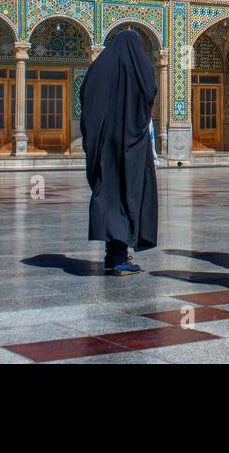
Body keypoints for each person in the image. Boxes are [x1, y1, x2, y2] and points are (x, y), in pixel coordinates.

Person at [80, 28, 158, 274]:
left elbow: (86, 99)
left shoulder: (99, 67)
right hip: (132, 146)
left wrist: (95, 137)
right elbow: (149, 93)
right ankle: (120, 255)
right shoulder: (140, 67)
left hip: (104, 146)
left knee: (110, 194)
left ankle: (112, 254)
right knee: (130, 195)